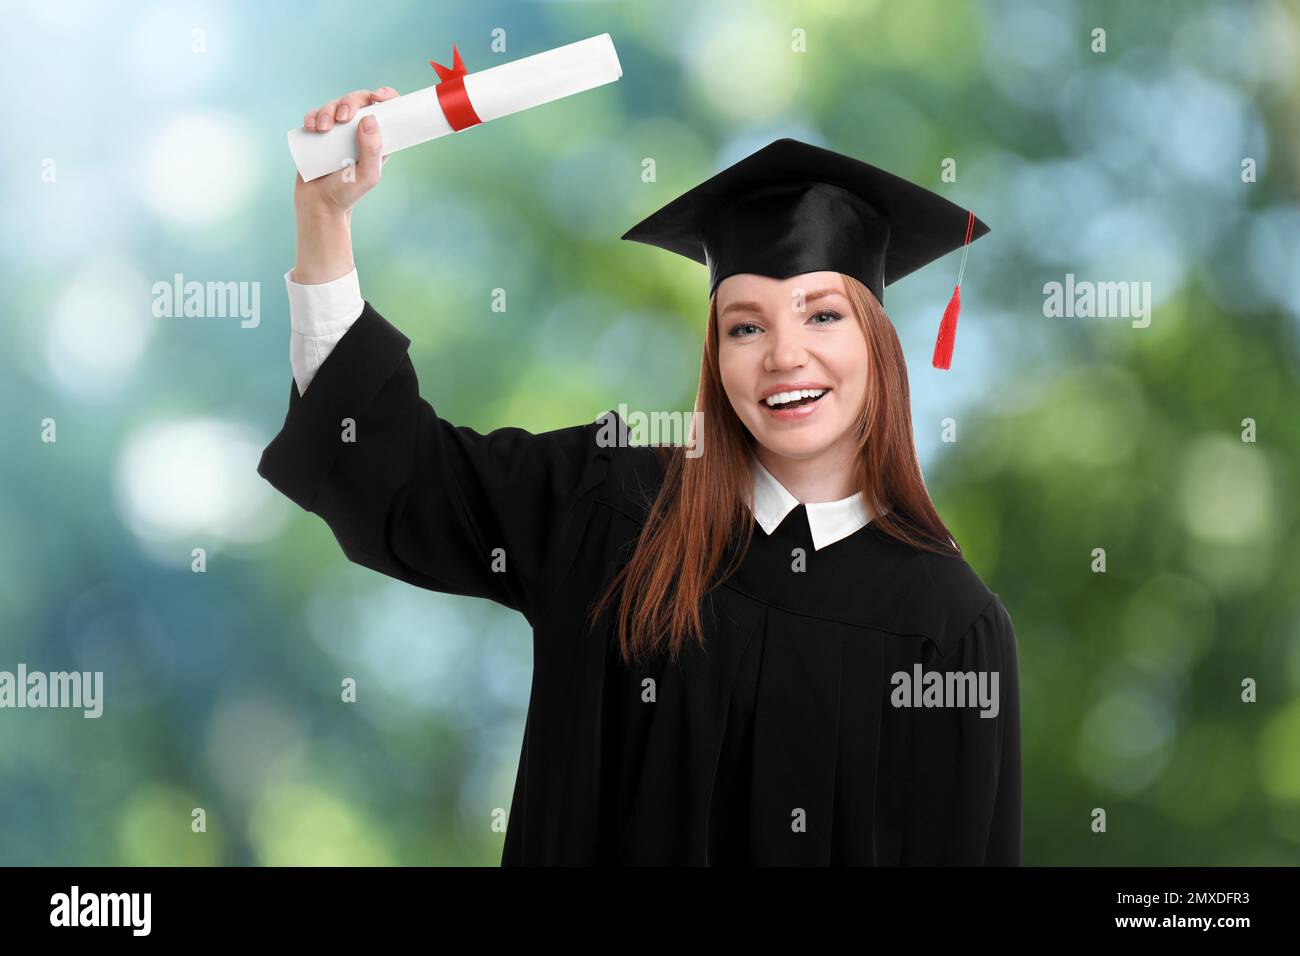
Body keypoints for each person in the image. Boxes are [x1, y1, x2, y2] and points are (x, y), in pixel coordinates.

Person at [258, 86, 1021, 866]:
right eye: (745, 325)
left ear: (878, 345)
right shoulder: (612, 505)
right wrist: (325, 221)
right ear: (715, 356)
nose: (784, 356)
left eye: (822, 314)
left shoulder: (948, 626)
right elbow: (396, 474)